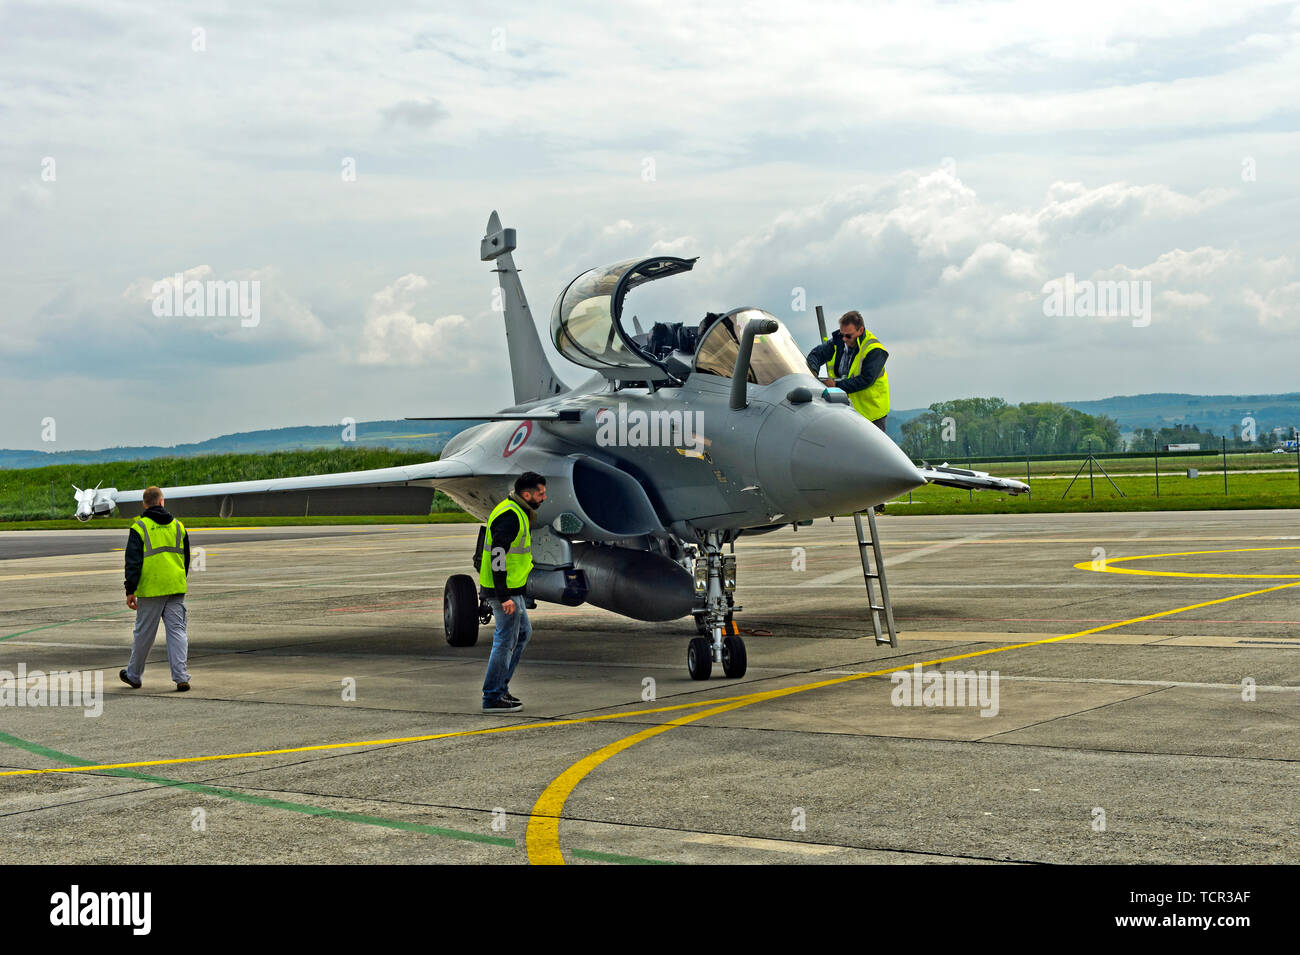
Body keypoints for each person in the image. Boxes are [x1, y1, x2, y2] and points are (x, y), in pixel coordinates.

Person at [806, 310, 892, 512]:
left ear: (860, 330)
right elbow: (816, 355)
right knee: (850, 457)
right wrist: (811, 372)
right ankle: (856, 499)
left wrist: (837, 386)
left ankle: (876, 501)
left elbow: (865, 380)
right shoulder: (838, 341)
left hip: (872, 411)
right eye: (843, 334)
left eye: (849, 335)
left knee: (874, 458)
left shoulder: (875, 350)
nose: (845, 339)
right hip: (847, 410)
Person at [478, 472, 546, 712]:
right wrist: (504, 596)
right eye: (541, 493)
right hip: (503, 590)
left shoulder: (515, 509)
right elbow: (498, 556)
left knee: (522, 633)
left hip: (510, 587)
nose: (544, 497)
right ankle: (492, 696)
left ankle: (500, 689)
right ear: (526, 495)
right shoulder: (511, 516)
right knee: (505, 640)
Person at [120, 486, 192, 691]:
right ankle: (181, 677)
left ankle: (133, 675)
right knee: (177, 632)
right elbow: (185, 558)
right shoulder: (178, 526)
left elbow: (132, 562)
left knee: (144, 634)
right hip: (175, 587)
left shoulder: (139, 527)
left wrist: (130, 589)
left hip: (151, 589)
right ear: (162, 502)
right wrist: (179, 578)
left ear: (144, 504)